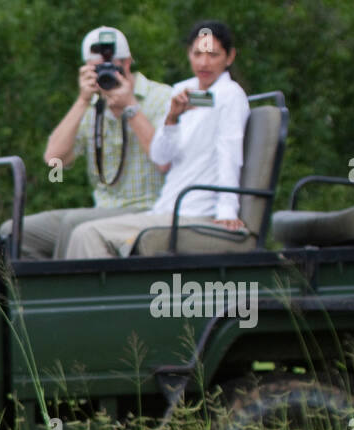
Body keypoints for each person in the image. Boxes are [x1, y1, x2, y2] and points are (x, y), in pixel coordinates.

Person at [66, 21, 250, 259]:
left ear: (230, 56)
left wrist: (227, 210)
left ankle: (101, 295)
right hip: (168, 207)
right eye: (198, 54)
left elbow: (230, 152)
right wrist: (172, 118)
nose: (204, 63)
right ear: (188, 54)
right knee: (83, 231)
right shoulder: (182, 91)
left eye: (213, 55)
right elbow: (161, 156)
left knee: (87, 233)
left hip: (196, 210)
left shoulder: (230, 95)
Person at [0, 26, 174, 259]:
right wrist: (83, 100)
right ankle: (27, 293)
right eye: (98, 68)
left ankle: (67, 291)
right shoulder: (92, 106)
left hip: (150, 208)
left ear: (129, 62)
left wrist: (130, 107)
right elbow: (54, 160)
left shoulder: (163, 97)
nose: (108, 74)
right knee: (13, 231)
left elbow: (165, 161)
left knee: (73, 224)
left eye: (114, 67)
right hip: (101, 211)